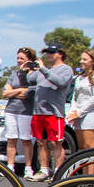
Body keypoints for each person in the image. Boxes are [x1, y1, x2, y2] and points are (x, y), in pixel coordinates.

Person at [30, 45, 73, 180]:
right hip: (38, 112)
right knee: (41, 142)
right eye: (46, 53)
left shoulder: (65, 69)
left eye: (51, 53)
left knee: (55, 142)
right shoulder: (43, 71)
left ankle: (59, 172)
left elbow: (60, 82)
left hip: (54, 112)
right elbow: (30, 80)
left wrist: (42, 69)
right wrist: (27, 68)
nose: (48, 55)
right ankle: (44, 170)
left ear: (60, 54)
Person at [0, 48, 37, 179]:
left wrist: (15, 91)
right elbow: (5, 93)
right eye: (18, 58)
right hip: (11, 110)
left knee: (26, 140)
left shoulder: (34, 75)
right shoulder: (13, 74)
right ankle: (10, 167)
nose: (19, 61)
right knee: (11, 139)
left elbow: (29, 93)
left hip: (25, 111)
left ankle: (28, 168)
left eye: (22, 58)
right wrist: (20, 90)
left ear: (30, 60)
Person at [66, 49, 94, 169]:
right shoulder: (80, 77)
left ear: (93, 61)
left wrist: (80, 112)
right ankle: (83, 177)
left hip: (91, 114)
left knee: (90, 148)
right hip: (78, 116)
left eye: (85, 59)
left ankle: (91, 178)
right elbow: (75, 97)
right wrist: (73, 111)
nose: (81, 61)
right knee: (82, 149)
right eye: (81, 59)